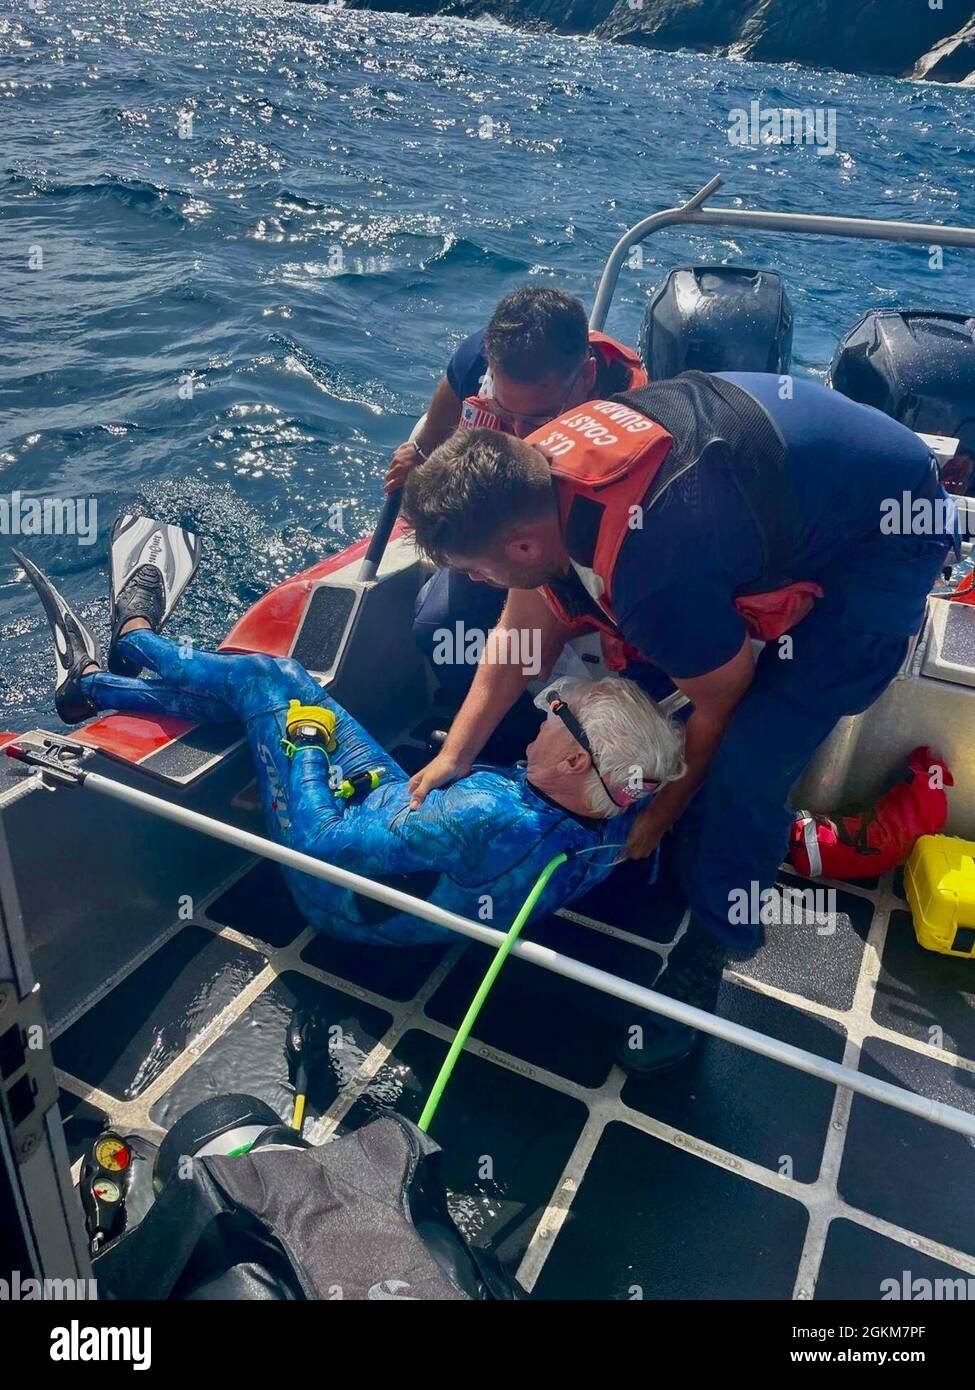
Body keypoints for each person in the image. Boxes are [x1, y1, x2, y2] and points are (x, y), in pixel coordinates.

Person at [401, 369, 956, 1073]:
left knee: (756, 753)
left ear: (520, 546)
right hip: (773, 478)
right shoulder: (530, 480)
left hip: (887, 530)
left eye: (474, 570)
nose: (474, 583)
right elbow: (521, 627)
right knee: (660, 653)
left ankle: (714, 945)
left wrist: (661, 812)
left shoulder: (653, 569)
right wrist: (456, 752)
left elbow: (722, 704)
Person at [15, 529, 685, 949]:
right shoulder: (619, 812)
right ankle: (95, 685)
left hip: (335, 895)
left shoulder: (483, 814)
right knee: (274, 692)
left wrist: (307, 745)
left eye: (558, 710)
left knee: (268, 679)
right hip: (395, 823)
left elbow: (320, 847)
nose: (545, 708)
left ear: (574, 758)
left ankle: (128, 644)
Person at [387, 286, 647, 703]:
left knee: (554, 658)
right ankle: (496, 737)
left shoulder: (631, 415)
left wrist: (557, 620)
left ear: (587, 377)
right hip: (498, 536)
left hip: (575, 556)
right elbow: (455, 385)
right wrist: (421, 452)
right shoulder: (483, 360)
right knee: (442, 631)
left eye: (541, 417)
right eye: (509, 416)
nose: (526, 437)